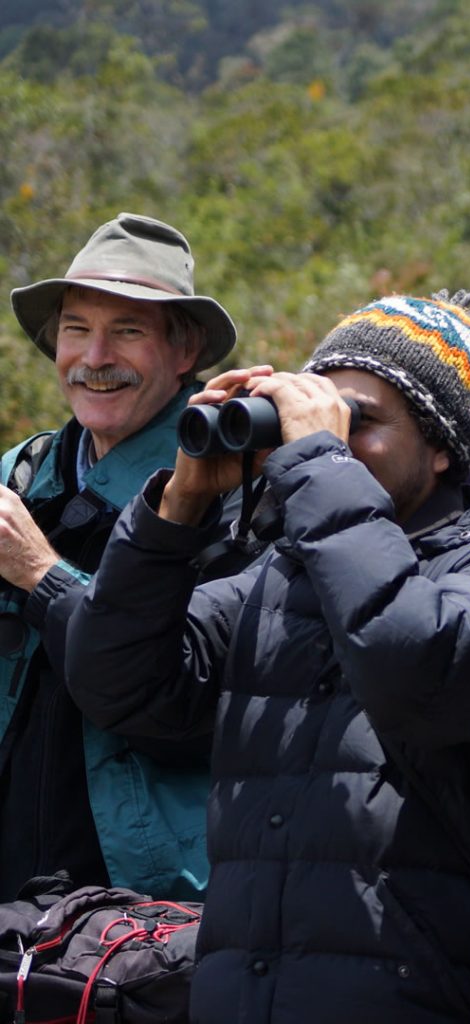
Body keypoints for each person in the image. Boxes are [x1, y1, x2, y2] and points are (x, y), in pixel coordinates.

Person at [61, 290, 470, 1023]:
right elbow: (116, 683)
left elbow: (420, 664)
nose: (333, 444)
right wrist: (178, 509)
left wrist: (320, 459)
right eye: (322, 423)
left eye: (363, 423)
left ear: (443, 444)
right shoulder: (281, 577)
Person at [0, 211, 237, 902]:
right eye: (76, 329)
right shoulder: (26, 473)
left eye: (127, 331)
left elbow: (180, 707)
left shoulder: (230, 490)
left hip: (149, 901)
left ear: (184, 349)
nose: (94, 357)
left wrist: (42, 574)